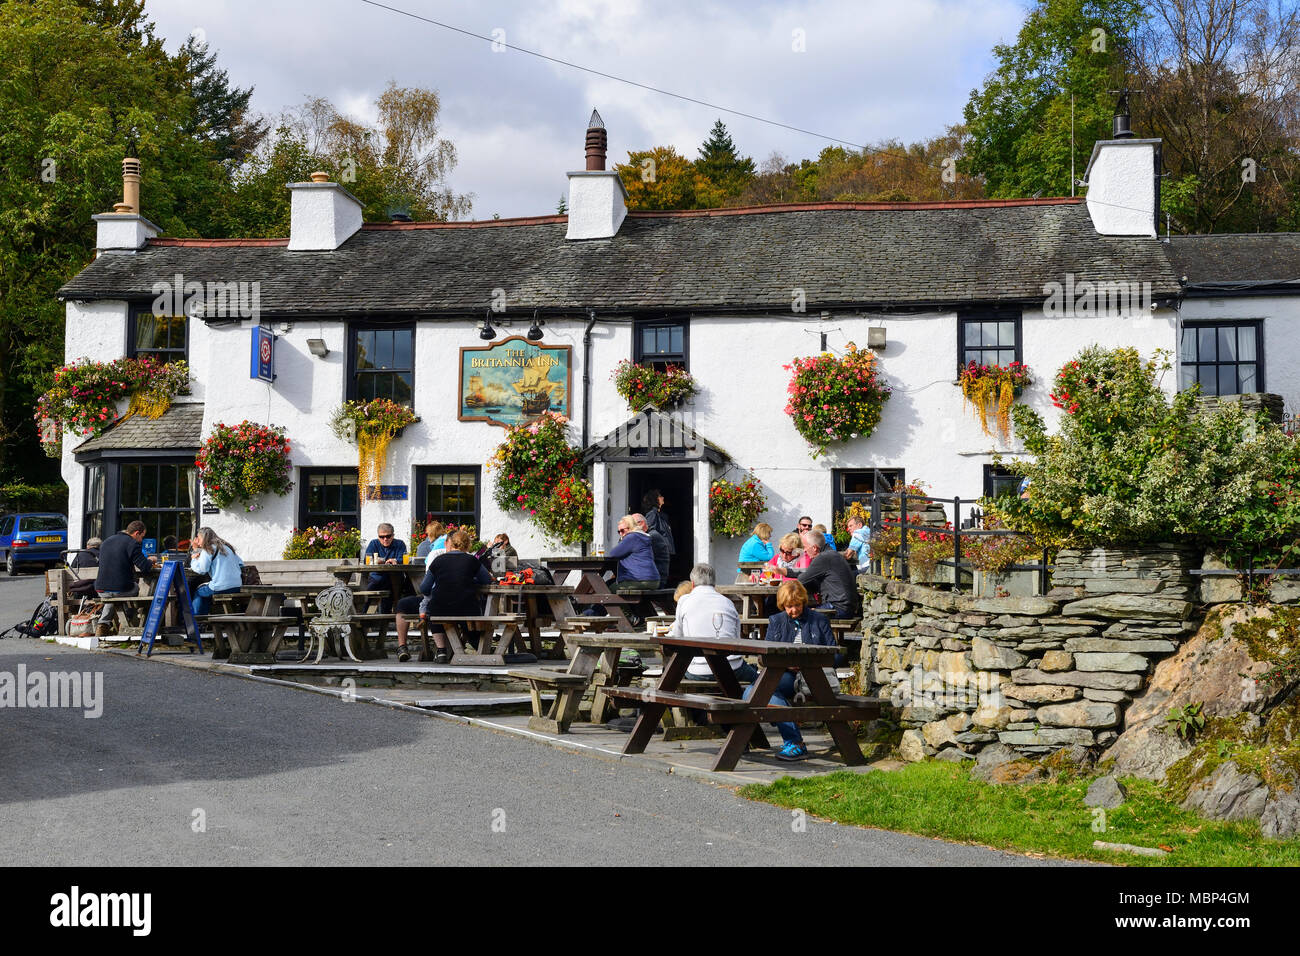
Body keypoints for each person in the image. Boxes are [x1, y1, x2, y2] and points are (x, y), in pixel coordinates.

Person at [750, 580, 838, 760]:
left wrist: (810, 662)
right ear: (783, 605)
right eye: (789, 606)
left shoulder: (819, 620)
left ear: (804, 602)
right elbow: (764, 657)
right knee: (751, 691)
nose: (793, 610)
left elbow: (836, 655)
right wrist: (787, 664)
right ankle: (794, 741)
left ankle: (792, 741)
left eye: (797, 605)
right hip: (787, 675)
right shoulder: (776, 621)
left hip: (814, 677)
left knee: (758, 691)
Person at [395, 530, 491, 663]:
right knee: (461, 607)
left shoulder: (438, 561)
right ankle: (473, 646)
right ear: (468, 545)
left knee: (434, 607)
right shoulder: (472, 560)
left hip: (441, 608)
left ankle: (441, 650)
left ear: (449, 543)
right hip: (467, 608)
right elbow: (487, 580)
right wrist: (471, 581)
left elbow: (424, 588)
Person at [667, 564, 755, 682]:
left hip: (698, 669)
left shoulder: (684, 601)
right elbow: (736, 637)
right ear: (714, 583)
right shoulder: (727, 602)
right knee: (762, 682)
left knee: (674, 672)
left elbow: (676, 637)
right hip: (732, 667)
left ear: (692, 584)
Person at [94, 521, 156, 633]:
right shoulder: (132, 543)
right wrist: (151, 560)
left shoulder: (106, 541)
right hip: (120, 589)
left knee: (113, 596)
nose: (141, 540)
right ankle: (128, 619)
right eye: (142, 537)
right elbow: (144, 567)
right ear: (136, 533)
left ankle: (103, 624)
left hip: (101, 589)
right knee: (135, 588)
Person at [796, 531, 860, 619]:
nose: (804, 550)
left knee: (798, 615)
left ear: (814, 548)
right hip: (847, 608)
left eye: (805, 547)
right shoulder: (832, 554)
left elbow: (801, 580)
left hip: (837, 609)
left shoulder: (823, 557)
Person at [189, 527, 244, 617]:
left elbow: (202, 570)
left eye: (198, 538)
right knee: (206, 593)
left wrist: (194, 560)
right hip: (237, 585)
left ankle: (198, 621)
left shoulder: (208, 549)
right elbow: (241, 564)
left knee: (199, 592)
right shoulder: (227, 547)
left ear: (203, 538)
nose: (197, 541)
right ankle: (203, 620)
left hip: (221, 586)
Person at [364, 523, 407, 612]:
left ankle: (385, 617)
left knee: (394, 584)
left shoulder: (399, 544)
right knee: (376, 585)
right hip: (377, 577)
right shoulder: (374, 543)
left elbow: (403, 559)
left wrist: (396, 561)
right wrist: (377, 560)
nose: (385, 539)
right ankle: (363, 615)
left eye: (388, 536)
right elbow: (367, 560)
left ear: (393, 535)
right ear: (378, 536)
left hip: (395, 579)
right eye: (382, 537)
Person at [607, 514, 659, 589]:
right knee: (610, 584)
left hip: (640, 580)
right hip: (653, 580)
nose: (621, 534)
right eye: (619, 532)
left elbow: (613, 553)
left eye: (622, 530)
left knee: (608, 589)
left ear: (631, 527)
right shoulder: (641, 537)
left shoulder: (632, 537)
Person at [641, 489, 676, 561]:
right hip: (658, 554)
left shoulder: (661, 515)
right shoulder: (652, 514)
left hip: (664, 553)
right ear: (655, 499)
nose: (663, 497)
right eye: (660, 496)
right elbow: (650, 533)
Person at [635, 514, 670, 586]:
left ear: (641, 523)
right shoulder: (648, 535)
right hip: (650, 578)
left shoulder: (651, 536)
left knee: (610, 586)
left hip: (655, 581)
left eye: (631, 525)